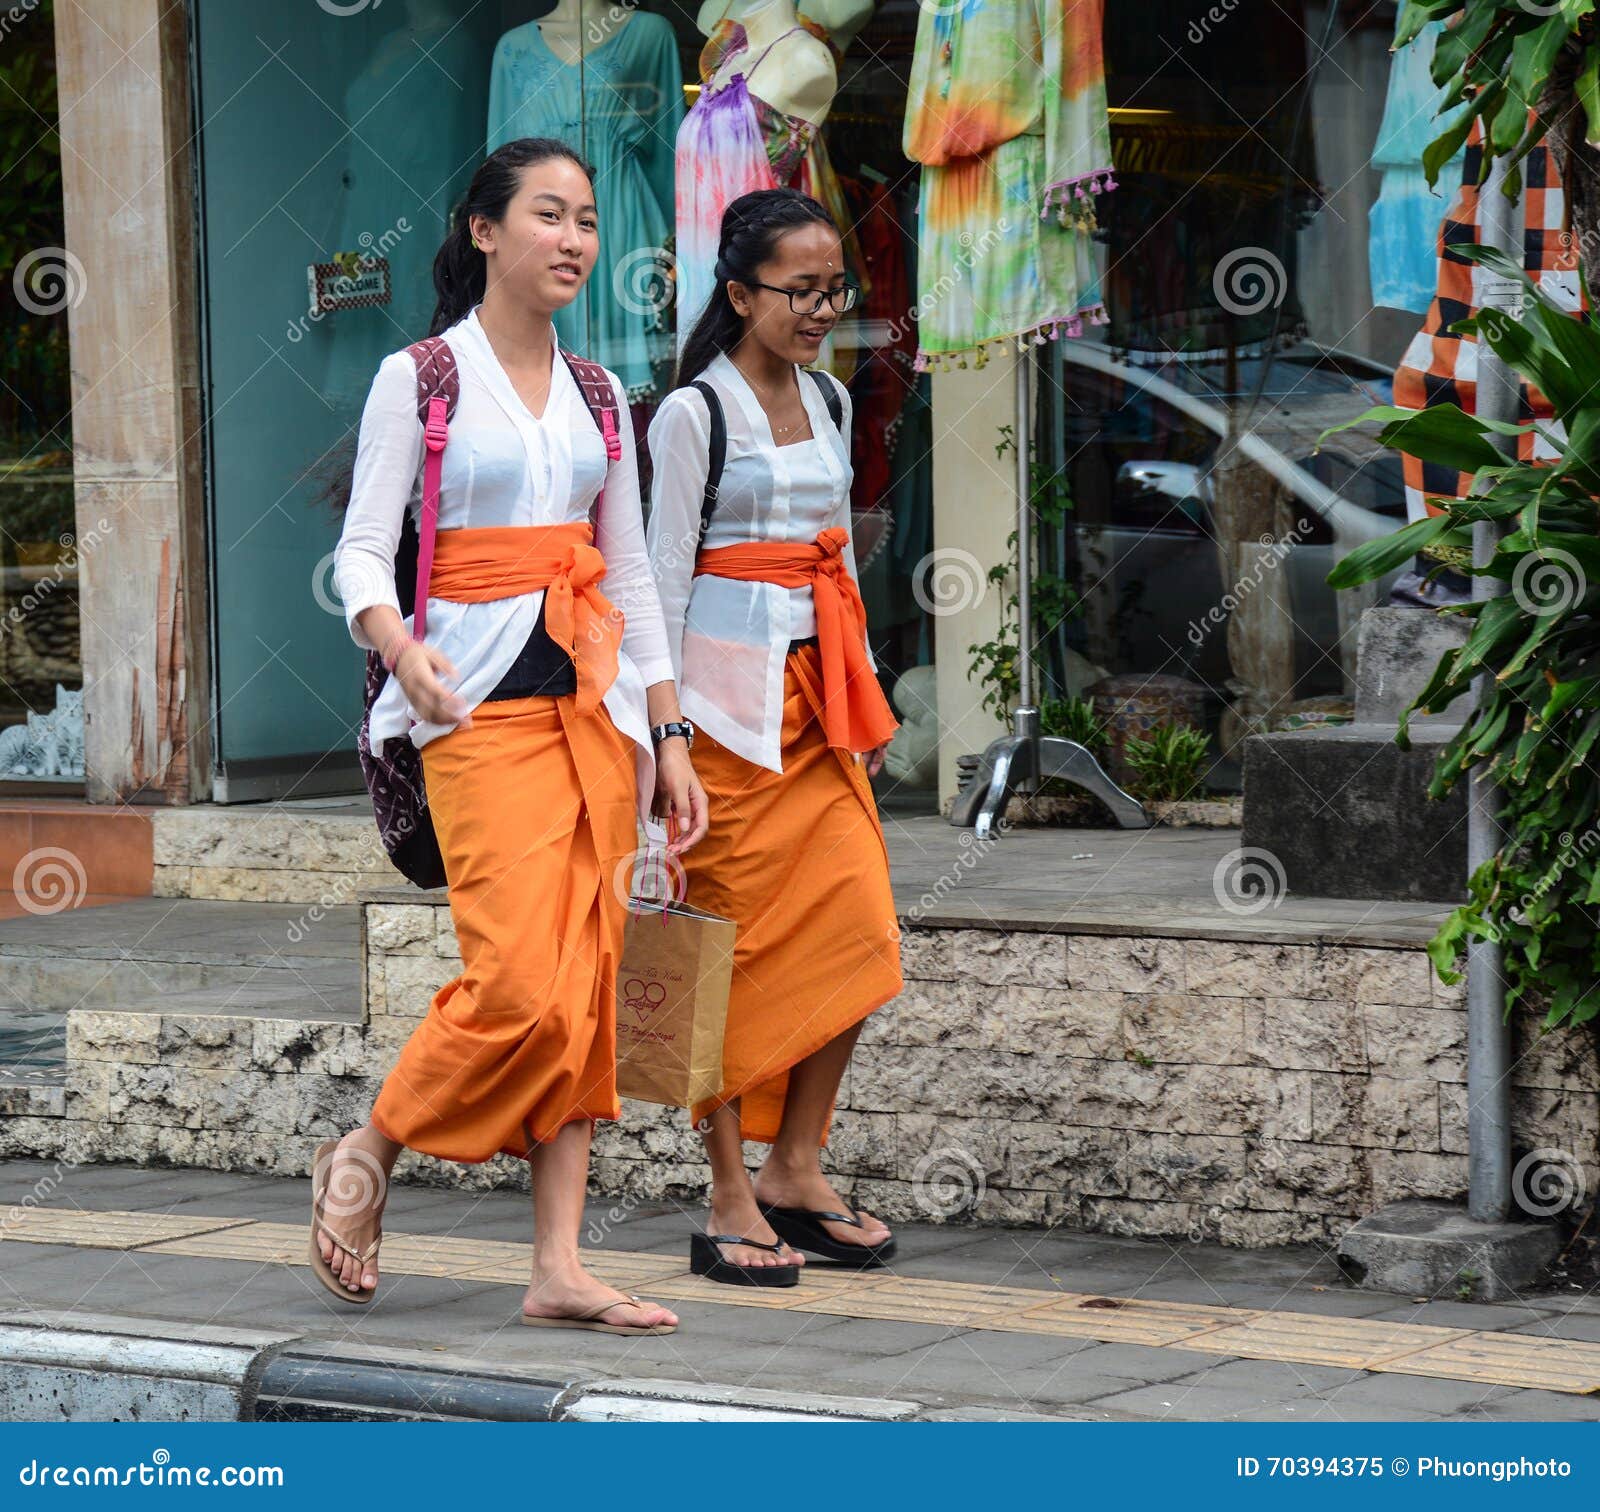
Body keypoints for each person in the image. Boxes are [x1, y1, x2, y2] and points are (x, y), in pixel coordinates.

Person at [319, 137, 707, 1335]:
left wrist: (670, 730)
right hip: (471, 714)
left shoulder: (601, 394)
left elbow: (628, 573)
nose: (574, 239)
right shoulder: (421, 377)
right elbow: (361, 552)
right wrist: (400, 648)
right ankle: (369, 1147)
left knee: (584, 990)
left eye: (586, 220)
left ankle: (557, 1267)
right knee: (520, 987)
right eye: (549, 215)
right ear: (483, 230)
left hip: (593, 716)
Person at [645, 187, 903, 1287]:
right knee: (722, 954)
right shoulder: (690, 414)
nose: (822, 309)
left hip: (819, 707)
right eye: (800, 290)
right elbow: (656, 584)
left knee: (860, 930)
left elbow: (836, 556)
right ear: (740, 294)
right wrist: (661, 739)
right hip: (718, 722)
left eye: (834, 289)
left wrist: (866, 689)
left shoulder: (831, 399)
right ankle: (726, 1193)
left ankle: (796, 1165)